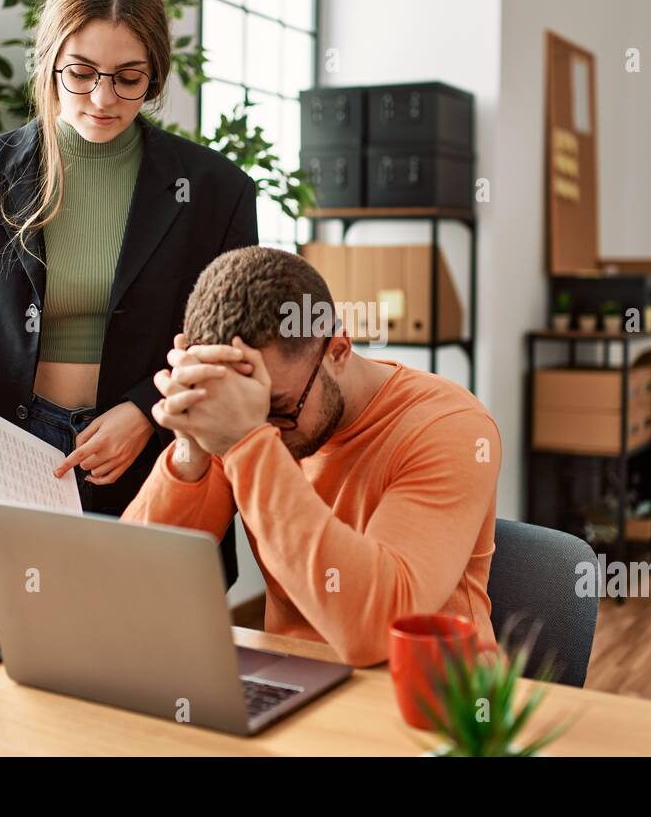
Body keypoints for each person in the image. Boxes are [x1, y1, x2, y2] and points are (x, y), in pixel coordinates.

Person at [0, 0, 256, 610]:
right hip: (5, 454)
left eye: (129, 79)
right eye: (81, 73)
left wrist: (145, 411)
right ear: (49, 62)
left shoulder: (215, 191)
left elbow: (229, 348)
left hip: (146, 457)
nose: (102, 99)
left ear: (155, 73)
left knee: (144, 671)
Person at [123, 247, 501, 666]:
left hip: (434, 698)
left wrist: (247, 439)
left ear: (338, 348)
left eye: (280, 409)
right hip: (296, 678)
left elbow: (377, 632)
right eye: (248, 411)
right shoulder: (237, 421)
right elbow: (137, 576)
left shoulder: (450, 427)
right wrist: (191, 445)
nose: (267, 429)